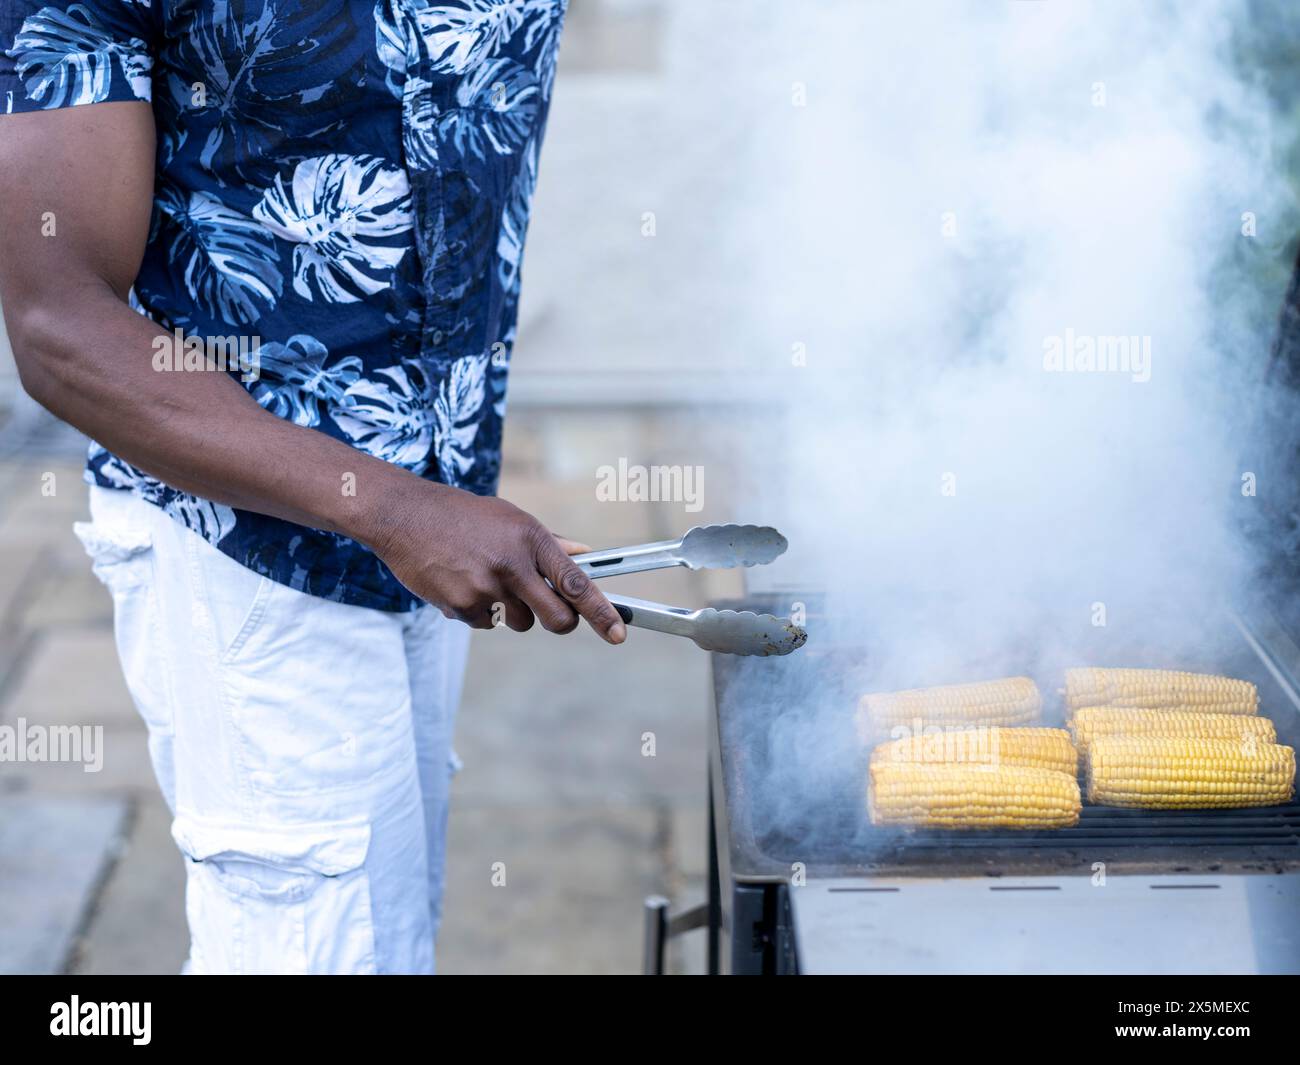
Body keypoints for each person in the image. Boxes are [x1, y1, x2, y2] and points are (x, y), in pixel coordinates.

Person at [0, 0, 623, 975]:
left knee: (384, 938)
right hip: (245, 549)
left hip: (439, 518)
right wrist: (391, 509)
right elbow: (60, 324)